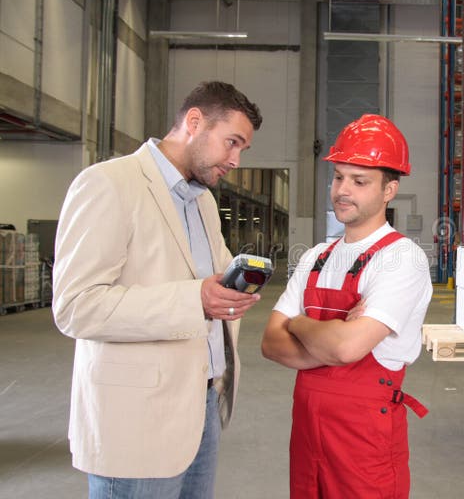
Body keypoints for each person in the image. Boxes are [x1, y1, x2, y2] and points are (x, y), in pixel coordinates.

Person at [52, 81, 262, 498]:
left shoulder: (201, 200)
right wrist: (194, 298)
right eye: (231, 143)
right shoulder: (109, 184)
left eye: (242, 150)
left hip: (200, 404)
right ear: (194, 122)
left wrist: (232, 288)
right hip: (136, 420)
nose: (235, 160)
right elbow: (76, 306)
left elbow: (212, 279)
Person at [261, 114, 432, 499]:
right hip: (306, 431)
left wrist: (301, 324)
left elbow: (346, 349)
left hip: (363, 439)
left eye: (360, 181)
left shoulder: (401, 259)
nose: (343, 190)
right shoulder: (317, 256)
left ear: (389, 190)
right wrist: (334, 333)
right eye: (339, 176)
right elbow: (270, 343)